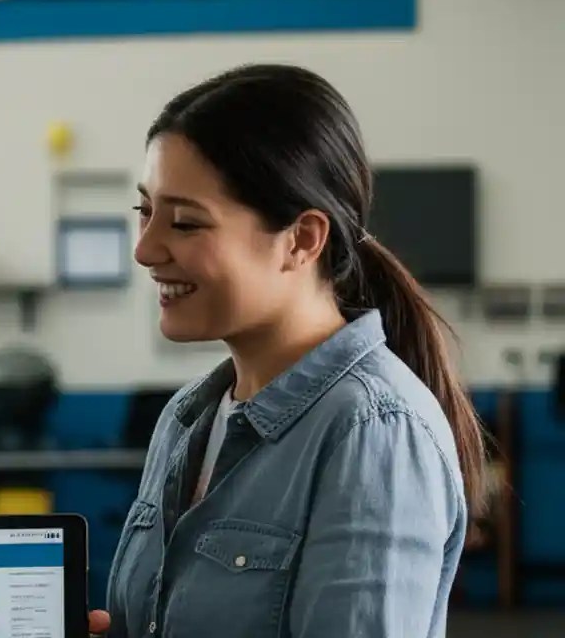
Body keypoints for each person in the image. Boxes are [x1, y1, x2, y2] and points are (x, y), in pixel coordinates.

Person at [86, 64, 485, 637]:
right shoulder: (184, 419)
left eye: (185, 223)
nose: (145, 250)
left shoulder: (372, 432)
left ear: (301, 239)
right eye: (144, 212)